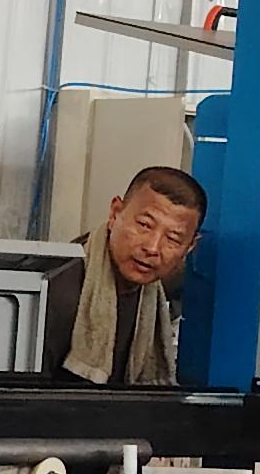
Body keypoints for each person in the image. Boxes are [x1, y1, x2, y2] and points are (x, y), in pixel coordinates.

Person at [42, 164, 205, 385]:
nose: (152, 248)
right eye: (145, 225)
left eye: (173, 239)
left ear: (190, 247)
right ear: (115, 213)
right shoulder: (58, 288)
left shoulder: (159, 294)